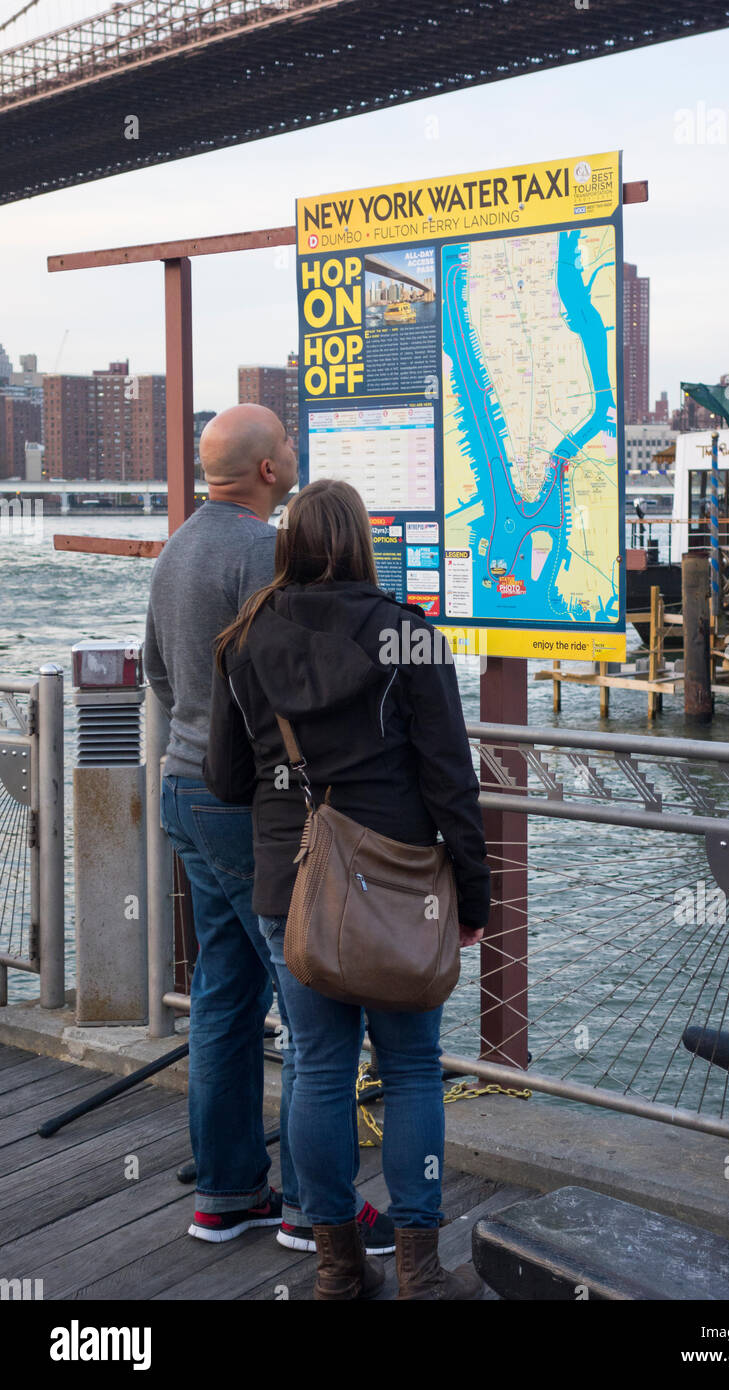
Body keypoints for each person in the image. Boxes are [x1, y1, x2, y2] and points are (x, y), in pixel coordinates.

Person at [205, 479, 491, 1300]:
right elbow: (451, 784)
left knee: (319, 1068)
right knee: (409, 1070)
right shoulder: (409, 639)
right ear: (364, 542)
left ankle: (336, 1267)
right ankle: (420, 1268)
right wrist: (471, 900)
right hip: (399, 891)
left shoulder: (244, 639)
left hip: (289, 890)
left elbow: (226, 780)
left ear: (287, 543)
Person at [144, 408, 393, 1253]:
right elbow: (305, 678)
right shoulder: (263, 554)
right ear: (263, 469)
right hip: (254, 803)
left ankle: (225, 1194)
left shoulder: (177, 547)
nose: (295, 447)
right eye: (285, 439)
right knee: (310, 1002)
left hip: (184, 788)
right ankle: (314, 1211)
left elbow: (155, 672)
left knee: (222, 994)